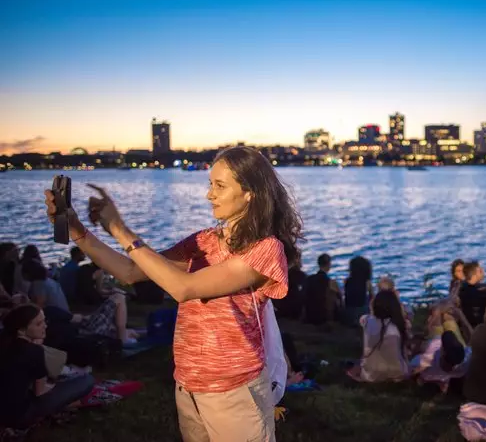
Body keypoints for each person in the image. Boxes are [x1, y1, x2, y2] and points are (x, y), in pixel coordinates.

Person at [44, 145, 302, 442]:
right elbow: (131, 271)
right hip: (187, 385)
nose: (209, 195)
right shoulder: (202, 241)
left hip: (233, 390)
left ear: (250, 193)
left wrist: (119, 228)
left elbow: (183, 287)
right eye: (210, 184)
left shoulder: (266, 250)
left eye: (220, 186)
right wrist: (78, 231)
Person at [0, 304, 95, 429]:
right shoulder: (33, 351)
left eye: (44, 321)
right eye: (38, 324)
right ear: (21, 330)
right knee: (86, 380)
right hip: (18, 416)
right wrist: (53, 384)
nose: (45, 326)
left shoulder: (6, 344)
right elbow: (40, 392)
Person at [349, 290, 410, 382]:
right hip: (398, 373)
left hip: (371, 374)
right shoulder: (398, 325)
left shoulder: (367, 321)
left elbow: (363, 319)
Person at [304, 254, 340, 325]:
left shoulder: (309, 279)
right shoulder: (330, 282)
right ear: (329, 264)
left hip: (310, 314)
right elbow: (339, 298)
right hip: (323, 317)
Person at [458, 261, 486, 328]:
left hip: (467, 326)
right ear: (474, 275)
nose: (483, 272)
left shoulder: (461, 288)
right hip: (485, 326)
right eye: (480, 271)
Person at [273, 253, 306, 320]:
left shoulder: (279, 275)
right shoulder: (300, 275)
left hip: (281, 310)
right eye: (299, 259)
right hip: (294, 312)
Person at [344, 256, 373, 326]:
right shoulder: (367, 282)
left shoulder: (347, 281)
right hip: (361, 314)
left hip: (348, 313)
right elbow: (372, 297)